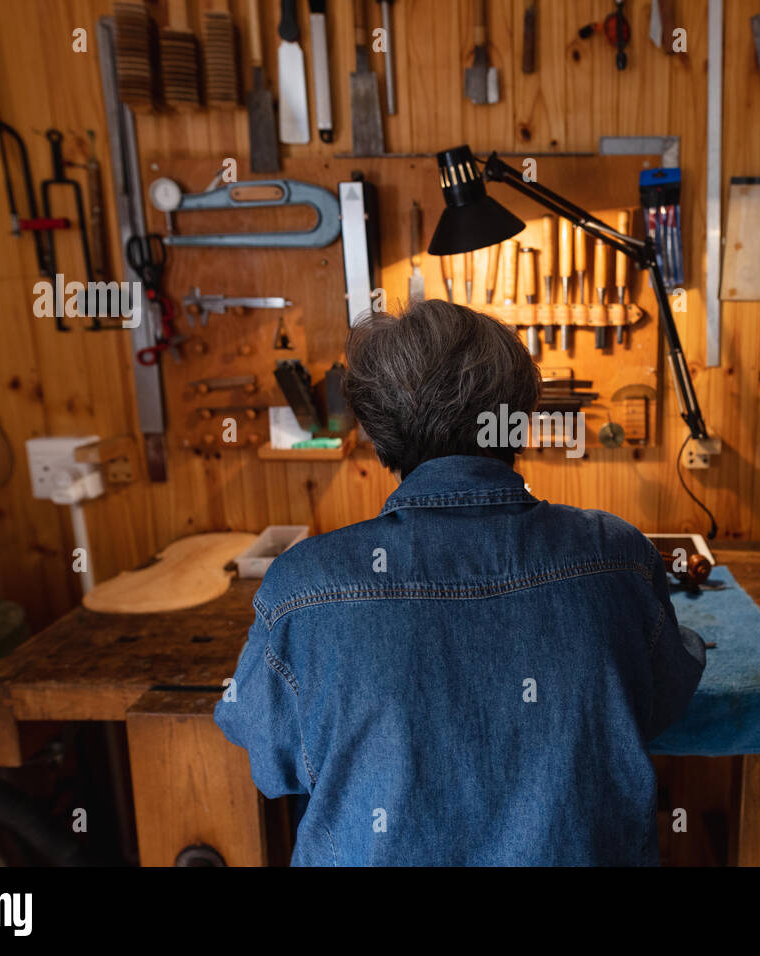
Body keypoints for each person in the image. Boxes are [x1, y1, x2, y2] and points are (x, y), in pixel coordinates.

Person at [215, 300, 705, 865]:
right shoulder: (616, 557)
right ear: (521, 420)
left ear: (377, 435)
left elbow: (272, 762)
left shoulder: (303, 590)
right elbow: (663, 699)